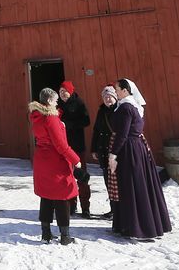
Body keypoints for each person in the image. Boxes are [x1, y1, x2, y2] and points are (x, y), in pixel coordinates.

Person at [108, 78, 172, 239]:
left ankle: (138, 227)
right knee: (139, 185)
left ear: (125, 90)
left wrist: (113, 154)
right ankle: (141, 224)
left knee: (132, 186)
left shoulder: (126, 108)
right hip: (137, 148)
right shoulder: (133, 106)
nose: (115, 91)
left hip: (129, 150)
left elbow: (123, 133)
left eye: (117, 89)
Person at [29, 87, 81, 245]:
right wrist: (75, 160)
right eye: (56, 100)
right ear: (50, 101)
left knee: (46, 196)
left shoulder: (36, 116)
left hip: (42, 160)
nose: (58, 102)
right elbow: (60, 145)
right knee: (62, 197)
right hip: (55, 161)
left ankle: (46, 233)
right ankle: (65, 236)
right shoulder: (50, 118)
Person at [58, 80, 91, 217]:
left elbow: (86, 121)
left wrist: (69, 125)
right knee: (67, 176)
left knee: (81, 176)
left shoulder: (79, 103)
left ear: (70, 92)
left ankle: (85, 207)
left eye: (64, 92)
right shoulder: (58, 105)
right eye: (60, 92)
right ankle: (72, 205)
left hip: (77, 145)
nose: (62, 95)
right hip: (64, 147)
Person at [90, 85, 118, 220]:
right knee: (108, 181)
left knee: (118, 182)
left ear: (115, 97)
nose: (107, 99)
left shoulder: (120, 110)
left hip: (116, 151)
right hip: (103, 150)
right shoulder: (101, 111)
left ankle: (121, 209)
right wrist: (94, 148)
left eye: (110, 96)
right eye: (105, 97)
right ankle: (113, 209)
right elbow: (96, 130)